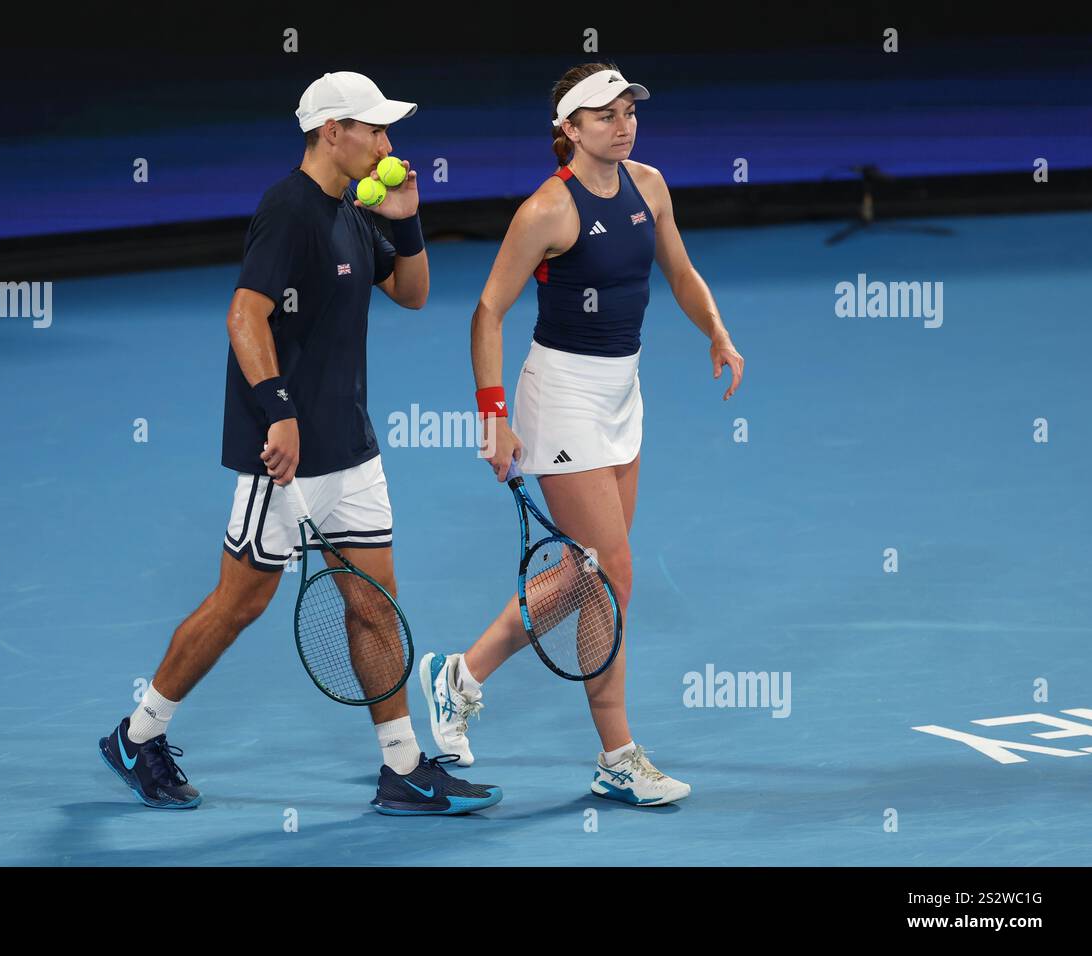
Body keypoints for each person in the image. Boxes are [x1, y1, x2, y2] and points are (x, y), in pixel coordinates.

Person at [100, 71, 502, 816]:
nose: (388, 144)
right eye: (373, 130)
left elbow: (411, 294)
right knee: (238, 605)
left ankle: (403, 768)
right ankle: (137, 734)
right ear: (331, 133)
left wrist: (408, 219)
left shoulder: (352, 212)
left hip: (352, 448)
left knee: (376, 606)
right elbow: (243, 317)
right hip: (282, 457)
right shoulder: (287, 211)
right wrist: (278, 412)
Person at [419, 62, 745, 807]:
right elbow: (487, 313)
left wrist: (716, 332)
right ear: (568, 129)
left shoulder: (650, 186)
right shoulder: (547, 210)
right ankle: (617, 755)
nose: (622, 122)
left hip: (623, 393)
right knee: (613, 570)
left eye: (628, 108)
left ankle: (461, 674)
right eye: (604, 114)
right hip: (561, 397)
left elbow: (682, 271)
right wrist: (494, 418)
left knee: (582, 573)